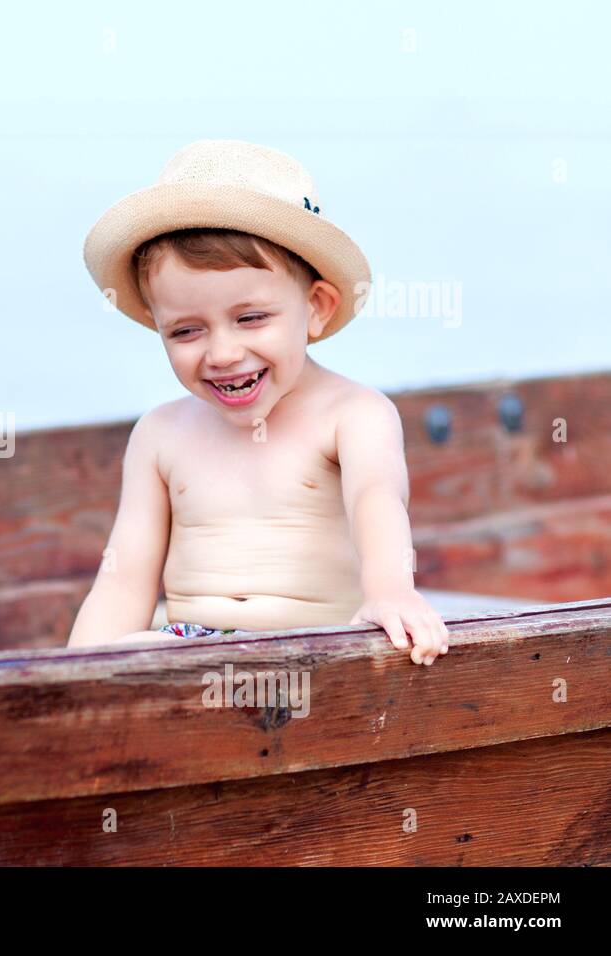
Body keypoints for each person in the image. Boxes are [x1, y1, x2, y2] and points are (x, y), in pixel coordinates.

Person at [67, 139, 449, 665]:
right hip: (188, 653)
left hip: (315, 652)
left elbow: (376, 501)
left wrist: (390, 592)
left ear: (315, 308)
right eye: (185, 331)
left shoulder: (353, 415)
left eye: (251, 319)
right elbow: (124, 580)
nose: (223, 353)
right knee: (130, 649)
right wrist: (69, 680)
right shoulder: (160, 435)